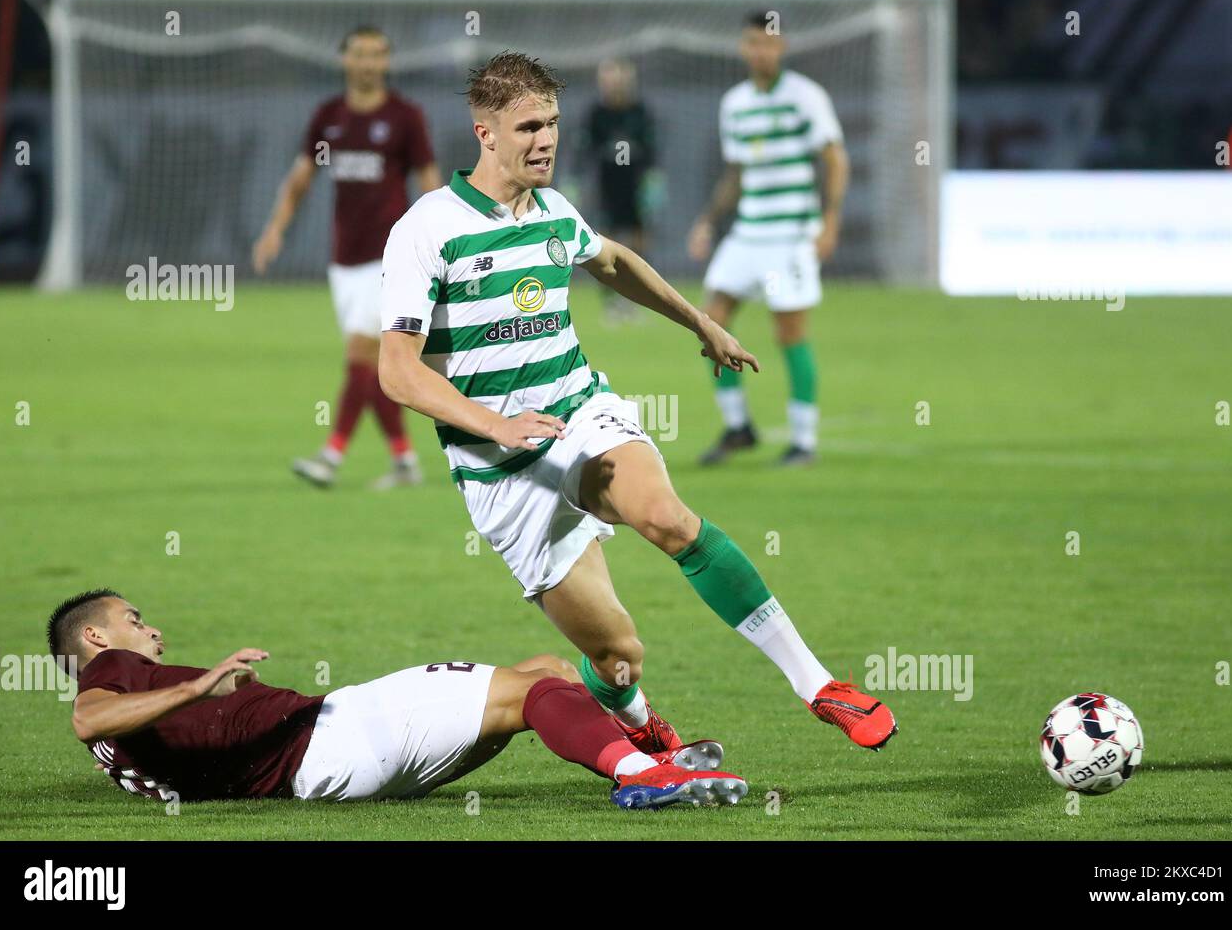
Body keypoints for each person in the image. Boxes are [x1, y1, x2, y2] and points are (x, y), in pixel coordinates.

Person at [377, 52, 897, 757]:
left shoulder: (555, 212)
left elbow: (614, 261)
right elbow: (399, 374)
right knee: (618, 655)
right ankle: (638, 720)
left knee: (667, 517)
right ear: (485, 134)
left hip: (582, 412)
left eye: (553, 123)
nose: (546, 140)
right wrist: (502, 425)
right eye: (529, 126)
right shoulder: (427, 228)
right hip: (502, 472)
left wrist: (700, 322)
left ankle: (818, 683)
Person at [50, 588, 745, 810]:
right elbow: (87, 717)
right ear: (94, 634)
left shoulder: (124, 738)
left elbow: (117, 733)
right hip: (334, 736)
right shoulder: (105, 674)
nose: (151, 627)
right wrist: (203, 684)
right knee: (538, 685)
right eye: (133, 617)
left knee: (543, 670)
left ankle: (658, 750)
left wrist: (206, 698)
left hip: (329, 766)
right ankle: (646, 775)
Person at [252, 26, 441, 490]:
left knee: (361, 354)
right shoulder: (329, 118)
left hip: (391, 257)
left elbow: (429, 183)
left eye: (377, 55)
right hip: (344, 260)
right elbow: (301, 179)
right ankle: (404, 460)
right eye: (359, 54)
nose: (368, 63)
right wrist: (276, 228)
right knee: (374, 366)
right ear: (344, 60)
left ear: (387, 62)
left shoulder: (404, 117)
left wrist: (438, 243)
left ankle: (331, 456)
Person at [687, 11, 851, 467]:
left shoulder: (805, 96)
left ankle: (804, 441)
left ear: (781, 47)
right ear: (744, 48)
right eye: (753, 43)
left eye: (768, 44)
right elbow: (735, 173)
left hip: (791, 236)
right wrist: (707, 220)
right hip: (747, 233)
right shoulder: (735, 103)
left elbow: (835, 159)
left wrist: (830, 220)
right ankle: (739, 427)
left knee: (789, 333)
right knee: (709, 320)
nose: (760, 51)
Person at [585, 58, 657, 325]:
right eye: (608, 79)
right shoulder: (597, 114)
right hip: (608, 186)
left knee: (639, 244)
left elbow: (652, 149)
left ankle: (638, 300)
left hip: (635, 186)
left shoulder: (639, 111)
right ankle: (612, 302)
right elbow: (585, 150)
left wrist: (653, 181)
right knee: (607, 245)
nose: (614, 84)